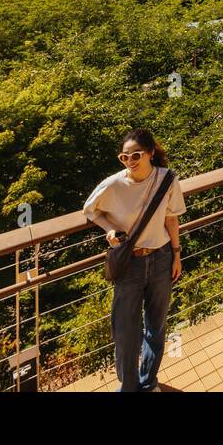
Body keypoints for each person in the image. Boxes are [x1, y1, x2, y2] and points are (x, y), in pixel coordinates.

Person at [83, 129, 185, 392]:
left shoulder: (167, 179)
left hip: (161, 257)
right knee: (126, 332)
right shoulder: (113, 184)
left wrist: (176, 254)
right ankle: (129, 387)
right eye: (124, 157)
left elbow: (171, 218)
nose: (130, 161)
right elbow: (90, 210)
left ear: (150, 153)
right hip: (131, 264)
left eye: (136, 155)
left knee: (156, 325)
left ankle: (148, 382)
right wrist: (108, 229)